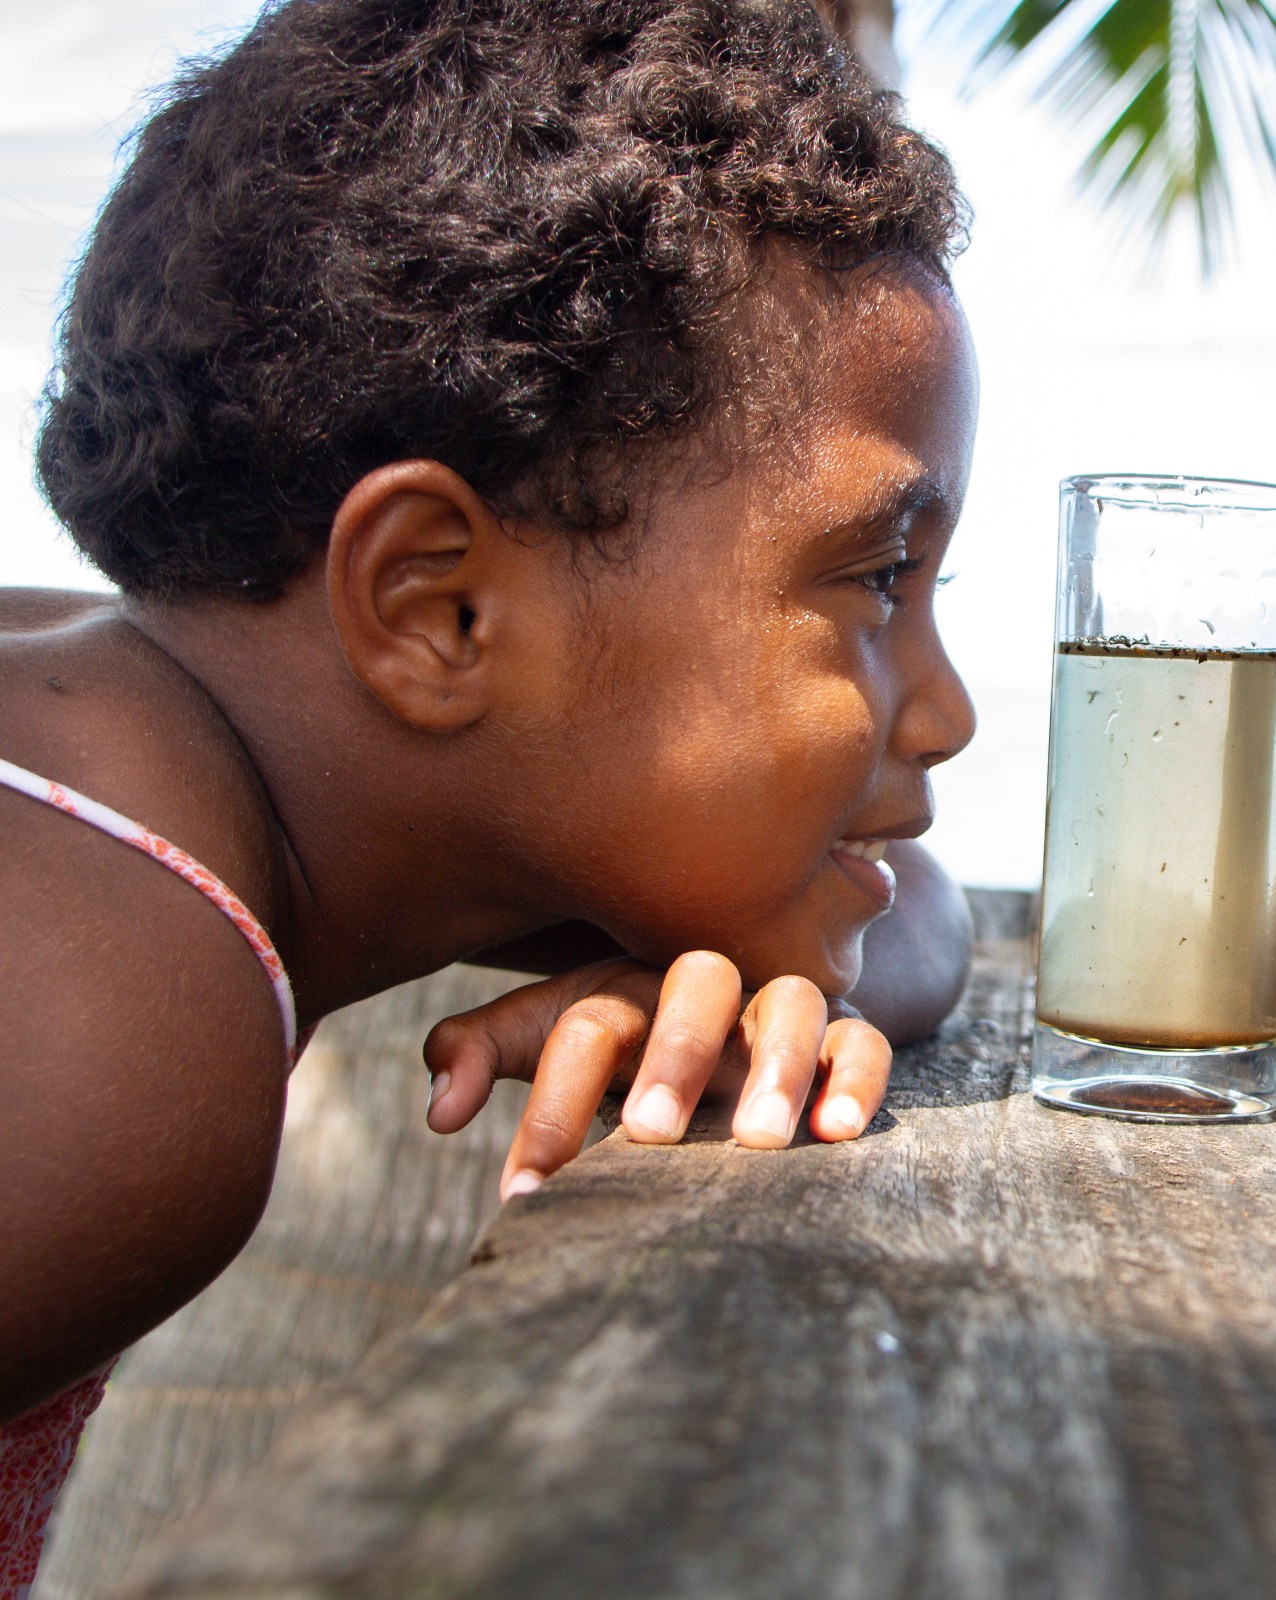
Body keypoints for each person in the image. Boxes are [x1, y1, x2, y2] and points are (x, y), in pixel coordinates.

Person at [0, 0, 978, 1585]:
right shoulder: (116, 1024)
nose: (945, 713)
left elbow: (909, 914)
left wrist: (770, 979)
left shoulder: (188, 745)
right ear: (438, 607)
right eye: (875, 579)